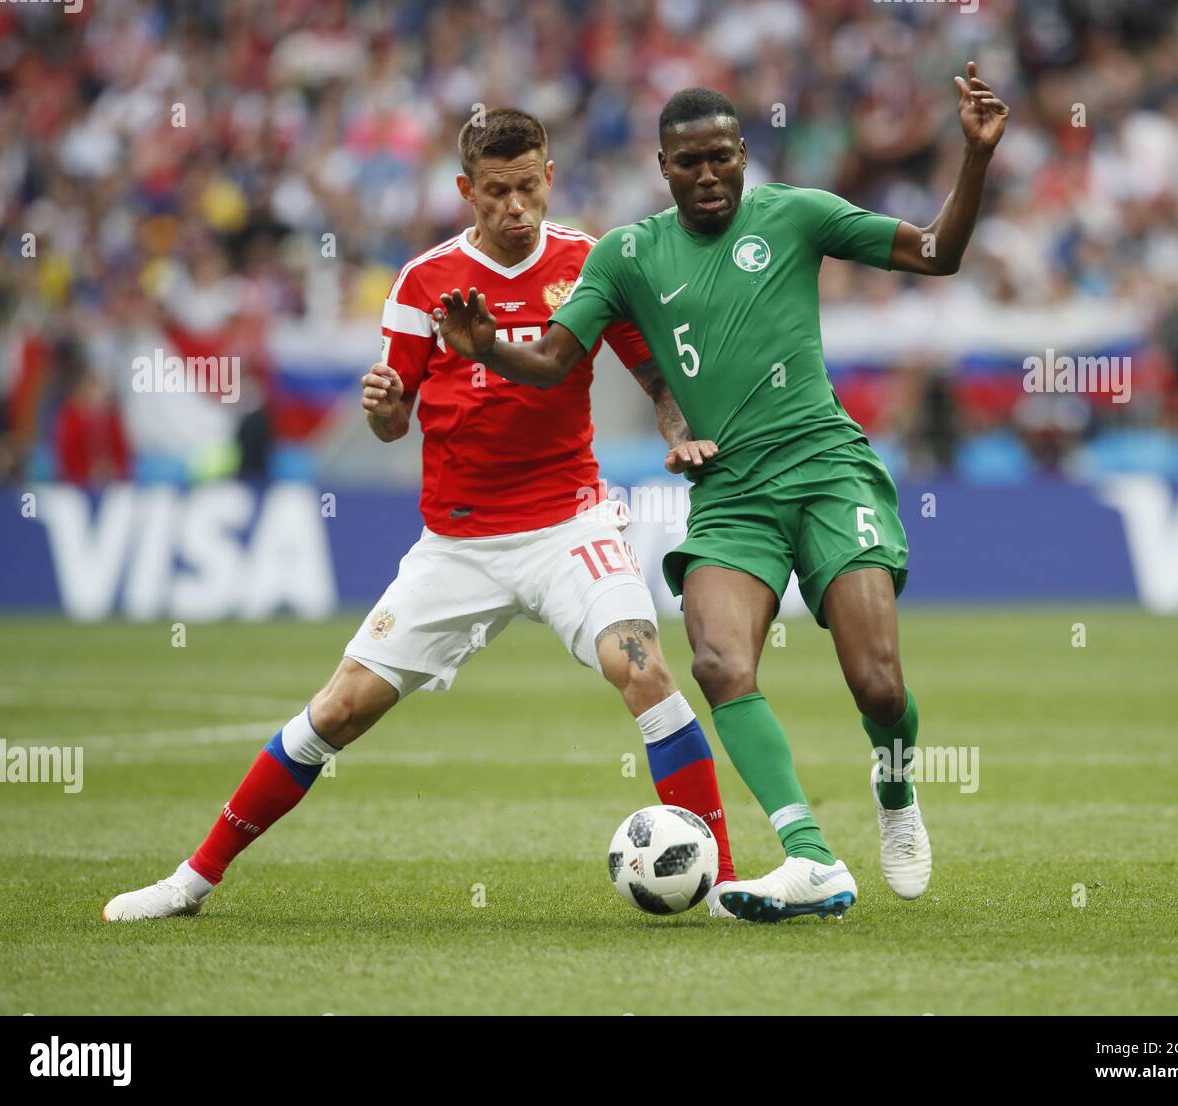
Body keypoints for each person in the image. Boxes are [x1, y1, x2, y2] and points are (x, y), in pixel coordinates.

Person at [104, 108, 738, 922]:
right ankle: (192, 880)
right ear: (466, 191)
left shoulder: (588, 264)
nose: (515, 207)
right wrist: (381, 405)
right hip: (459, 542)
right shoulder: (423, 284)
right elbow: (391, 418)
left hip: (569, 523)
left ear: (549, 178)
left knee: (644, 667)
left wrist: (679, 436)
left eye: (528, 187)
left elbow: (658, 383)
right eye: (496, 193)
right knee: (338, 709)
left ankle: (719, 883)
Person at [431, 66, 1009, 921]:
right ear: (662, 168)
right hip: (730, 494)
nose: (707, 177)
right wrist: (487, 349)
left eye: (721, 160)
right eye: (687, 164)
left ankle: (895, 795)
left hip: (824, 469)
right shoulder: (626, 254)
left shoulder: (798, 214)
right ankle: (810, 857)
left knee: (879, 685)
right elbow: (554, 361)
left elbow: (938, 252)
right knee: (717, 662)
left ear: (744, 155)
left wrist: (973, 154)